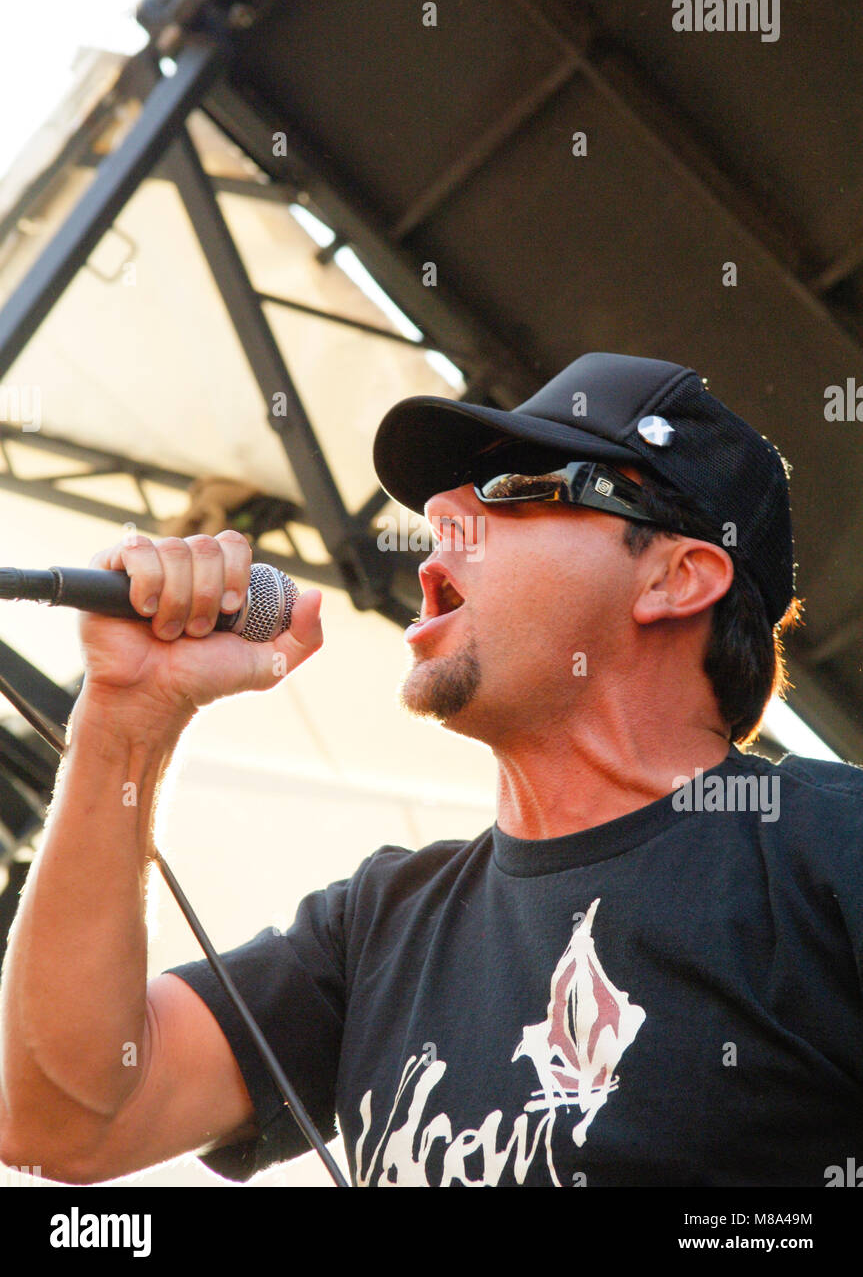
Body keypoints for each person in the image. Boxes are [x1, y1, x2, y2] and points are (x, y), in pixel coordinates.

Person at [1, 351, 861, 1189]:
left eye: (514, 489)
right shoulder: (375, 929)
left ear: (676, 578)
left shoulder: (832, 851)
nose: (442, 526)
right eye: (443, 512)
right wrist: (125, 717)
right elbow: (61, 1126)